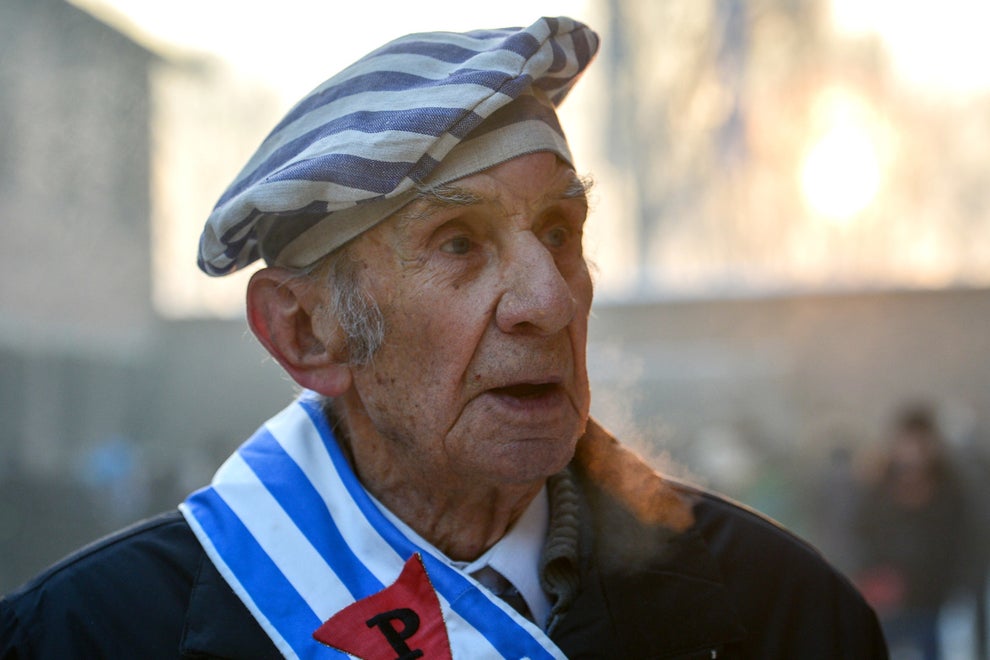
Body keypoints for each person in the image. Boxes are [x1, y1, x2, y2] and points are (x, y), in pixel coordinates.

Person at [0, 17, 886, 659]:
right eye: (459, 245)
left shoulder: (782, 614)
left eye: (559, 232)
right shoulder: (90, 636)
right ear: (306, 332)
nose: (548, 299)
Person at [854, 403, 970, 660]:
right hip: (887, 594)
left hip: (929, 593)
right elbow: (863, 530)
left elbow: (958, 538)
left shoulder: (948, 487)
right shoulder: (879, 484)